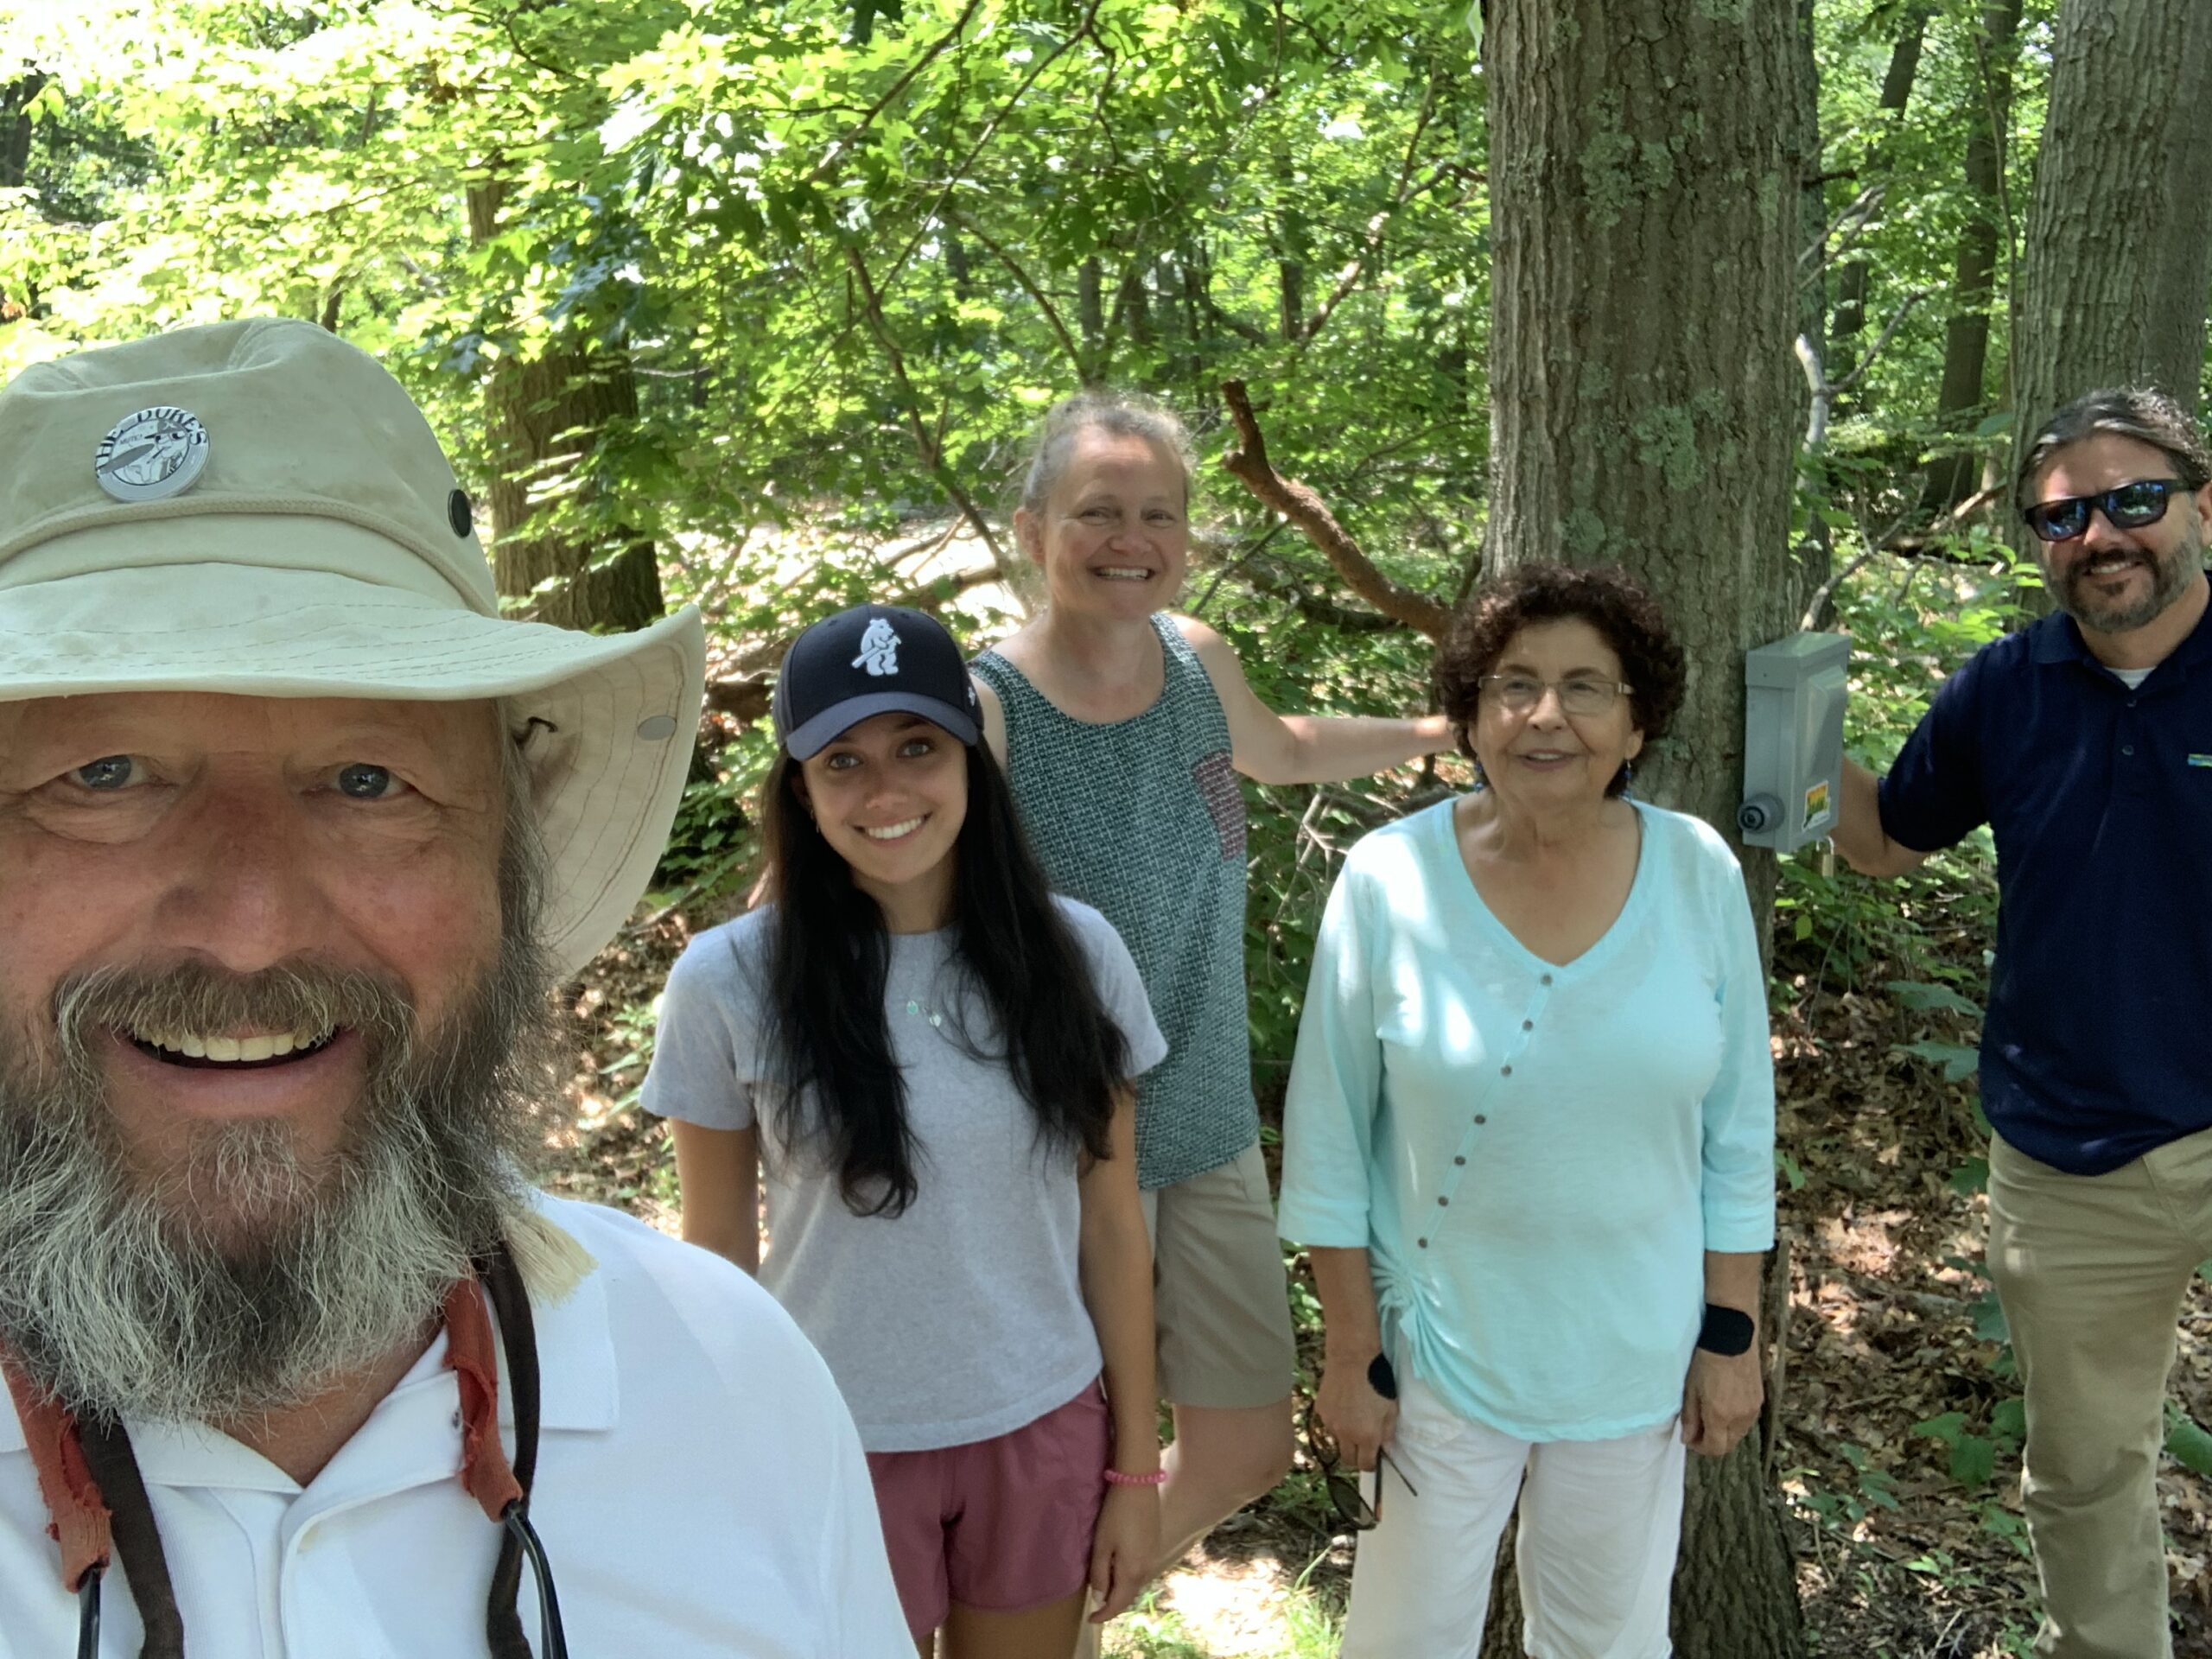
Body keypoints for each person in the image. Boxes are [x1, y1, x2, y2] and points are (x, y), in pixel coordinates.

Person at [0, 319, 912, 1656]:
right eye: (105, 778)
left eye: (371, 782)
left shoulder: (726, 1383)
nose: (252, 930)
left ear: (507, 861)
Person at [969, 391, 1455, 1598]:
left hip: (1207, 1122)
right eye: (1096, 512)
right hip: (1053, 1146)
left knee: (1243, 1443)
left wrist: (1445, 733)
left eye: (1157, 513)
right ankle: (1031, 1619)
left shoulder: (1197, 660)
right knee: (1068, 1452)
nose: (1129, 536)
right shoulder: (984, 707)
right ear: (1034, 531)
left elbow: (1282, 748)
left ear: (1187, 536)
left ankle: (1063, 1600)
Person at [643, 603, 1166, 1658]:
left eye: (917, 748)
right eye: (842, 762)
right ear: (799, 789)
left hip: (1039, 1426)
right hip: (828, 1437)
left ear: (972, 761)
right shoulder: (727, 983)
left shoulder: (1078, 954)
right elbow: (718, 1259)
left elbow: (1111, 1226)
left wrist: (1136, 1468)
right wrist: (730, 1455)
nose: (885, 792)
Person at [1278, 563, 1777, 1657]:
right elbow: (1325, 1140)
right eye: (1513, 685)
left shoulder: (1696, 874)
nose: (1545, 715)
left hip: (1636, 1360)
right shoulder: (1386, 881)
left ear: (1637, 723)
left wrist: (1729, 1335)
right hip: (1437, 1363)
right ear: (1469, 715)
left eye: (1584, 688)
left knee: (1607, 1645)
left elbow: (1738, 1133)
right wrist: (1349, 1352)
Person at [1834, 387, 2212, 1659]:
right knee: (2090, 1475)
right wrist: (1784, 706)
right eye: (2063, 516)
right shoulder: (2008, 684)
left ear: (2202, 506)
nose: (2102, 534)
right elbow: (1886, 839)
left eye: (2135, 501)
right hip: (2073, 1158)